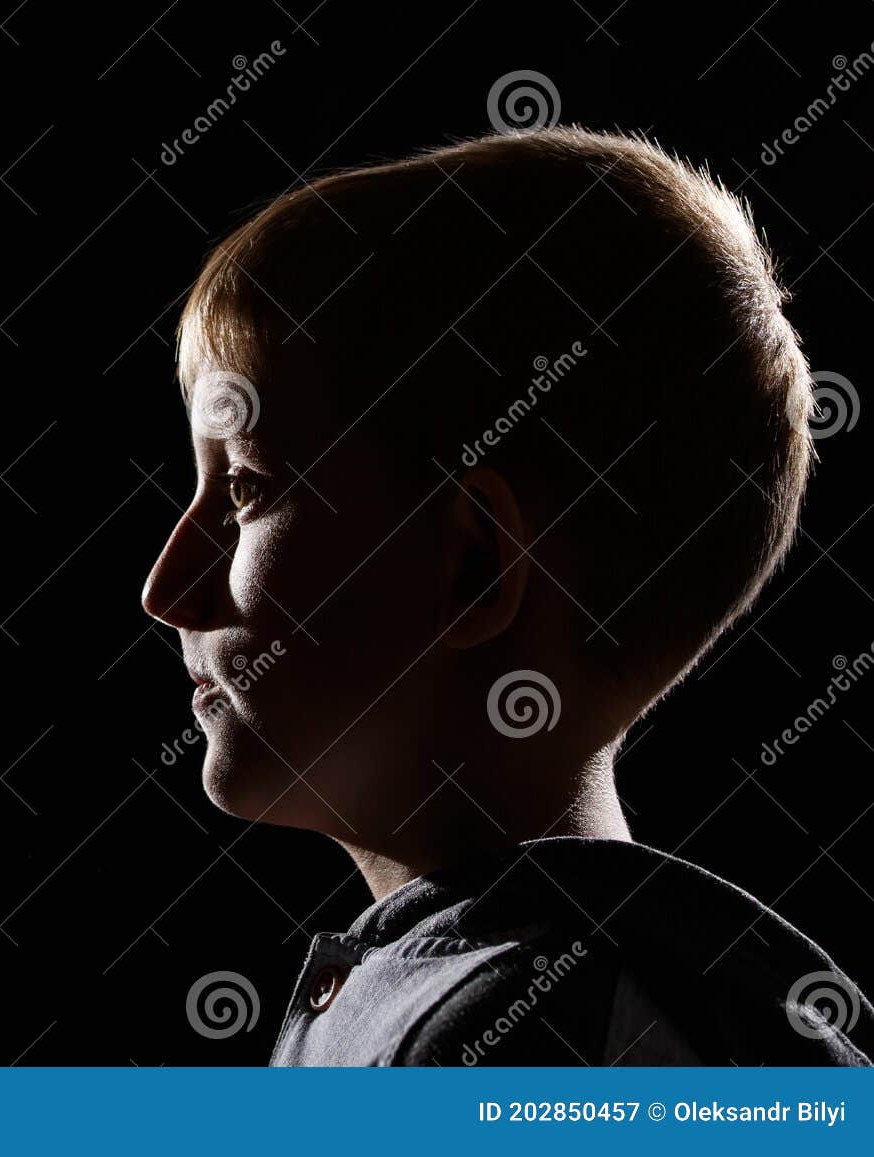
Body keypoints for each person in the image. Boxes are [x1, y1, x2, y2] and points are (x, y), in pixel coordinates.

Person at [140, 126, 871, 1065]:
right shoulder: (510, 1003)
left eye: (244, 491)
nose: (166, 588)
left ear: (473, 564)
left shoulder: (536, 1035)